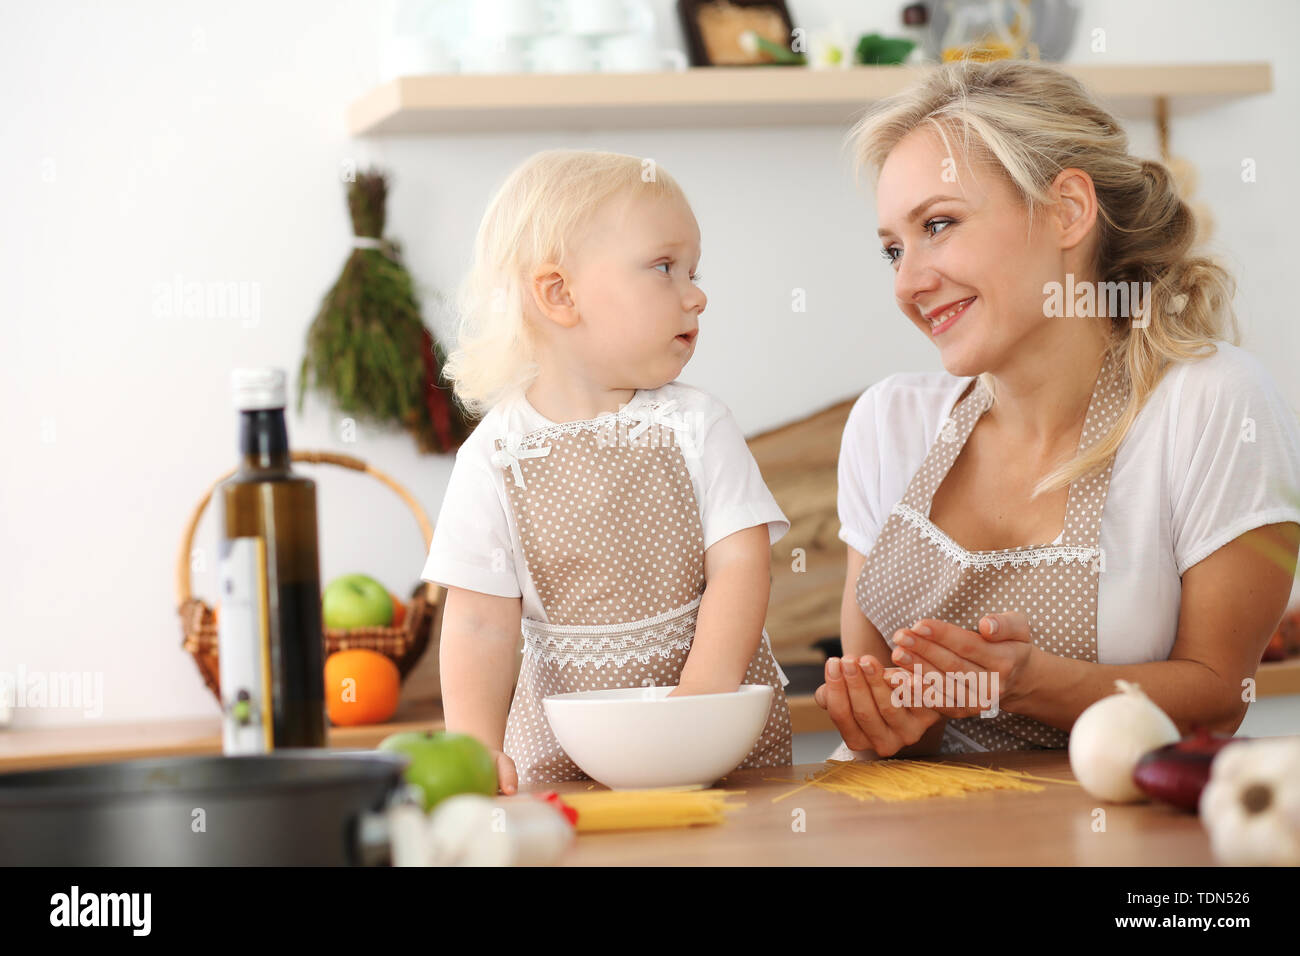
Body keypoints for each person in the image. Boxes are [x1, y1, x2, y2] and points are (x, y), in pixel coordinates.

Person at [818, 60, 1300, 757]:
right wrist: (880, 714)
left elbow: (1219, 696)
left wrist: (1033, 682)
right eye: (894, 249)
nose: (909, 281)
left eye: (940, 224)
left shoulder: (1210, 403)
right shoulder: (888, 422)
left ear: (1068, 211)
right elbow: (875, 697)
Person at [423, 149, 793, 791]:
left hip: (716, 744)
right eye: (664, 267)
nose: (697, 295)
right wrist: (473, 746)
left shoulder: (697, 426)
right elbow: (480, 621)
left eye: (693, 271)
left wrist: (702, 699)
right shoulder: (494, 457)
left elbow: (741, 563)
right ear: (560, 294)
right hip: (567, 753)